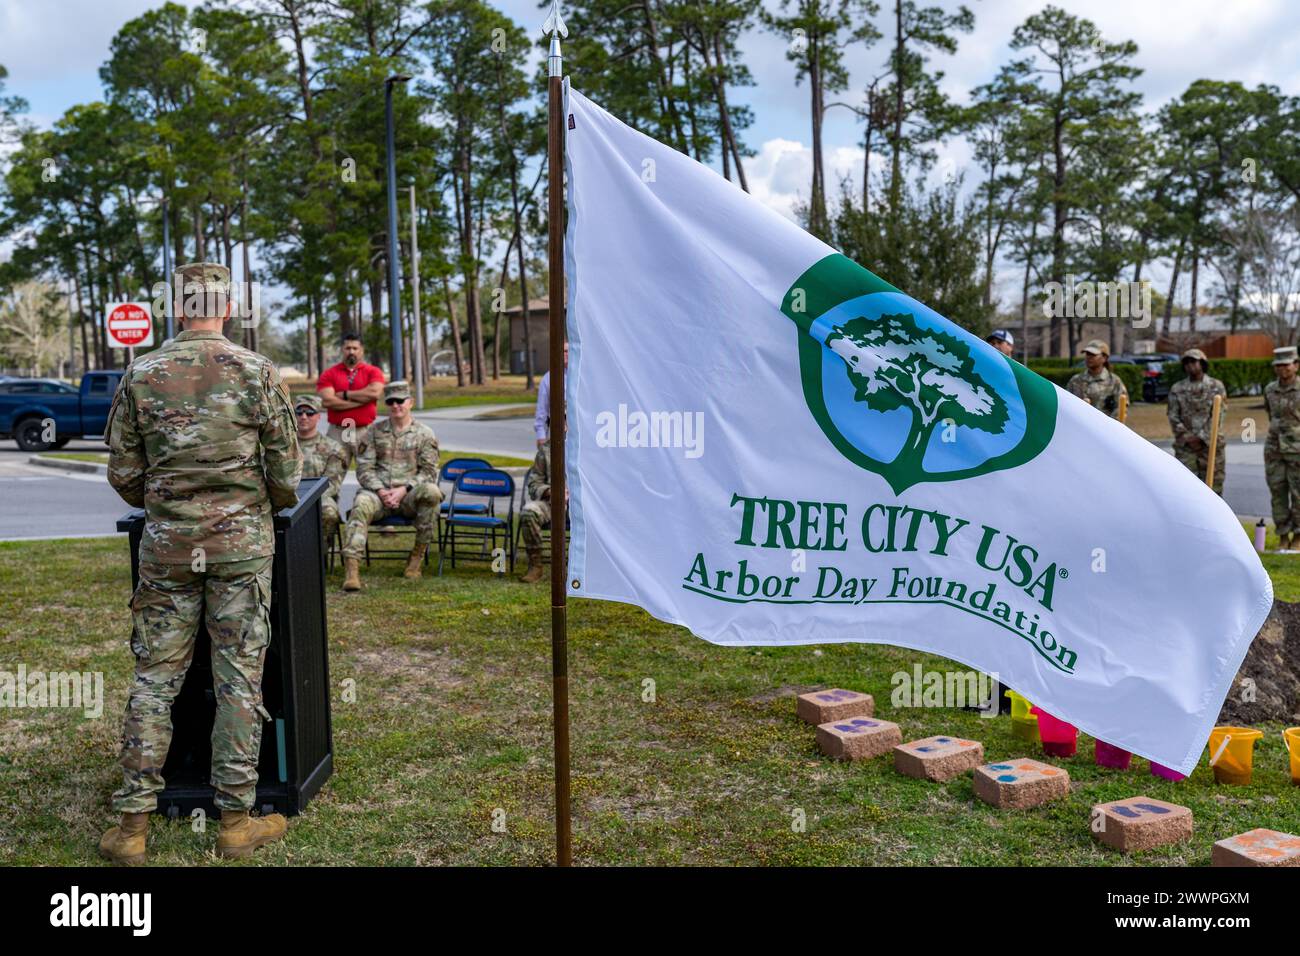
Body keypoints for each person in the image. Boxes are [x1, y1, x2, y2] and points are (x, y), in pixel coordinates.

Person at [101, 262, 302, 864]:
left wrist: (169, 507)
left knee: (154, 679)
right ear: (228, 305)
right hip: (240, 550)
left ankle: (132, 825)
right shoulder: (258, 372)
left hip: (167, 550)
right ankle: (236, 822)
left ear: (178, 307)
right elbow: (287, 474)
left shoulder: (142, 373)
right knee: (239, 679)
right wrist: (252, 506)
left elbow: (123, 474)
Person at [339, 381, 442, 588]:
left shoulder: (425, 433)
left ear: (410, 402)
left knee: (432, 492)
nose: (396, 405)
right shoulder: (374, 432)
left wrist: (404, 490)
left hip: (410, 496)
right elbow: (364, 468)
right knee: (361, 503)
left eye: (400, 401)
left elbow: (429, 471)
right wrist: (381, 490)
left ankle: (416, 558)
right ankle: (352, 570)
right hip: (379, 495)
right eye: (391, 401)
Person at [317, 331, 385, 468]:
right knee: (330, 475)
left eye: (355, 348)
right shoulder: (329, 374)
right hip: (337, 432)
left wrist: (345, 395)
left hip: (364, 431)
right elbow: (329, 401)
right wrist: (362, 401)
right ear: (342, 350)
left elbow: (375, 392)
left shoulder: (373, 371)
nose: (351, 351)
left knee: (370, 473)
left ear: (362, 350)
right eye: (348, 348)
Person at [1167, 348, 1227, 495]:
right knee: (1187, 490)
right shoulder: (1177, 388)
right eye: (1186, 362)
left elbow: (1218, 415)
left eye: (1193, 361)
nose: (1190, 365)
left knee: (1213, 489)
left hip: (1210, 446)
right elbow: (1173, 416)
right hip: (1186, 447)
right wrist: (1189, 437)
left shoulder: (1216, 386)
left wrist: (1201, 437)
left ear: (1202, 363)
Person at [295, 393, 347, 541]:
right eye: (299, 412)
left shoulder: (333, 448)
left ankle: (318, 554)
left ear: (318, 416)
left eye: (310, 413)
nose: (304, 417)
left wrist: (305, 499)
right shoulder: (282, 446)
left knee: (329, 512)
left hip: (318, 498)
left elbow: (331, 484)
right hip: (285, 496)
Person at [1264, 346, 1300, 551]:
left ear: (1296, 365)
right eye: (1278, 366)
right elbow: (1271, 415)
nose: (1282, 369)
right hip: (1274, 449)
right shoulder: (1269, 389)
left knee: (1298, 494)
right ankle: (1283, 535)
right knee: (1277, 492)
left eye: (1286, 365)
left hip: (1297, 449)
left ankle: (1298, 536)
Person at [519, 438, 563, 583]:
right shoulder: (546, 450)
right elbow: (534, 483)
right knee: (529, 511)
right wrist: (550, 492)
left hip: (582, 504)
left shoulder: (589, 445)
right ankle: (535, 565)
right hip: (552, 502)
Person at [1066, 339, 1127, 419]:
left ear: (1104, 358)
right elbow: (1067, 406)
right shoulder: (1075, 381)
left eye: (1093, 354)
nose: (1088, 357)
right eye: (1087, 354)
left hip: (1103, 429)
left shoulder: (1114, 382)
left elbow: (1120, 409)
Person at [533, 340, 569, 447]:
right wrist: (541, 435)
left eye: (568, 351)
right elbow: (542, 410)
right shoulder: (548, 379)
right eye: (563, 351)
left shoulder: (581, 377)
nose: (566, 354)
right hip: (557, 433)